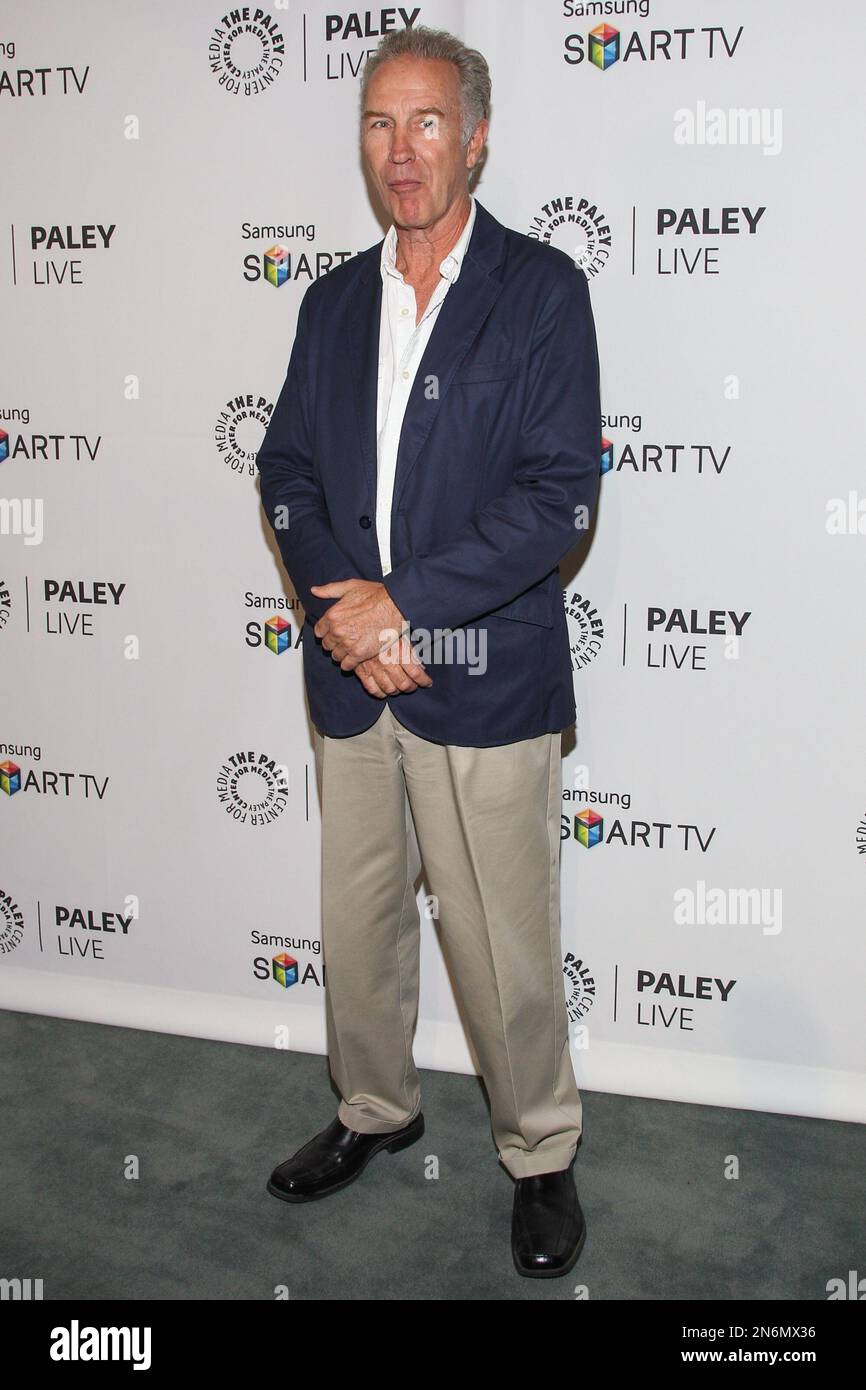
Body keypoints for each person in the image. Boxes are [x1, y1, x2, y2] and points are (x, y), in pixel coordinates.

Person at [257, 23, 601, 1279]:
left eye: (426, 124)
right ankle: (373, 1110)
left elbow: (558, 497)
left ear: (476, 137)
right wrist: (342, 610)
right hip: (353, 682)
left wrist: (400, 605)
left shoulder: (541, 290)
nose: (401, 153)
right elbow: (283, 468)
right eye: (377, 125)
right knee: (357, 927)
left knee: (501, 939)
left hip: (484, 680)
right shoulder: (332, 299)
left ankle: (540, 1152)